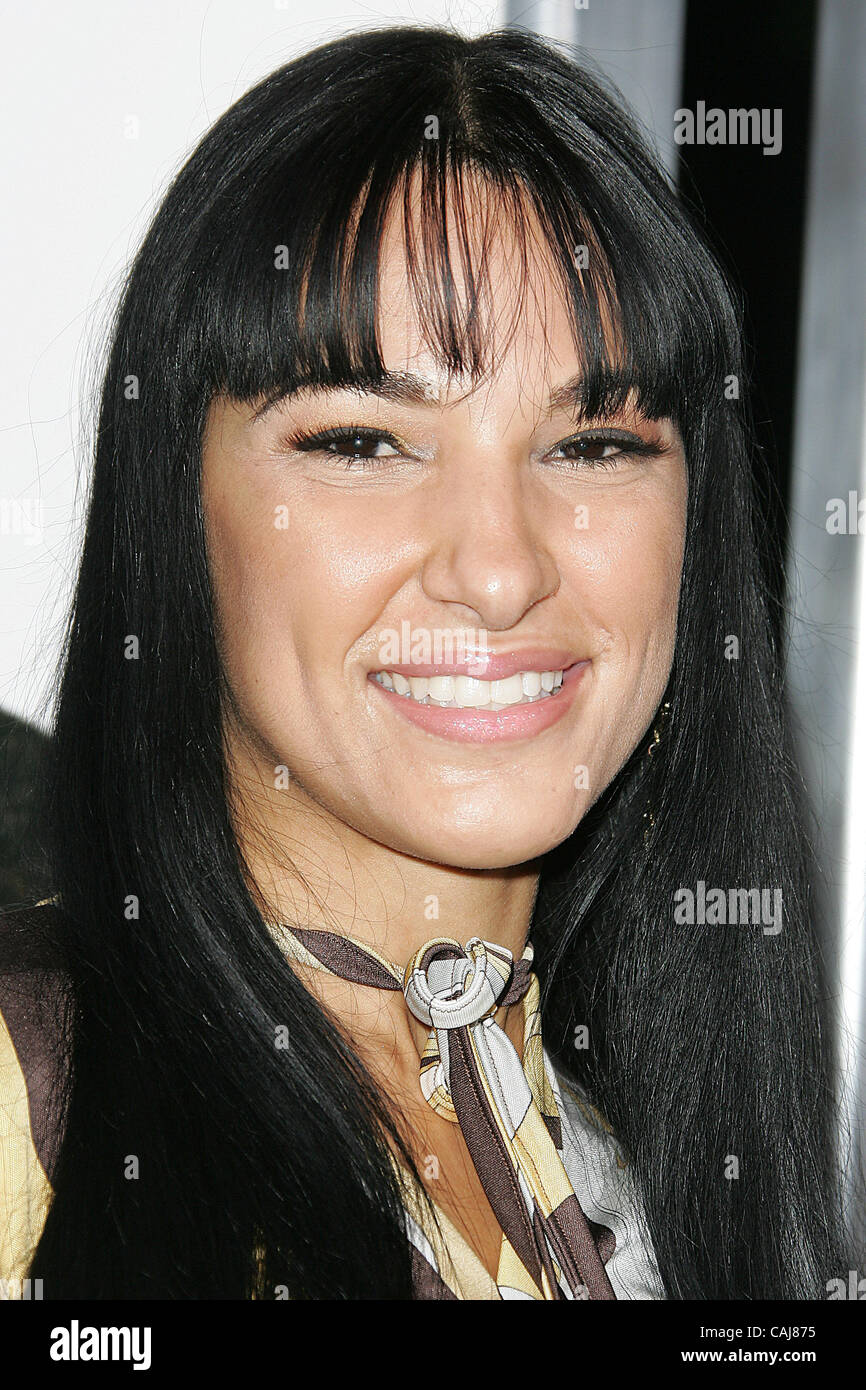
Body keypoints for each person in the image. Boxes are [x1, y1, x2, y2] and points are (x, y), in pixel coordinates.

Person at [0, 23, 848, 1300]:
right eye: (361, 442)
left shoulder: (679, 1153)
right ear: (175, 516)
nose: (499, 569)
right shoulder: (30, 1103)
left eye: (593, 445)